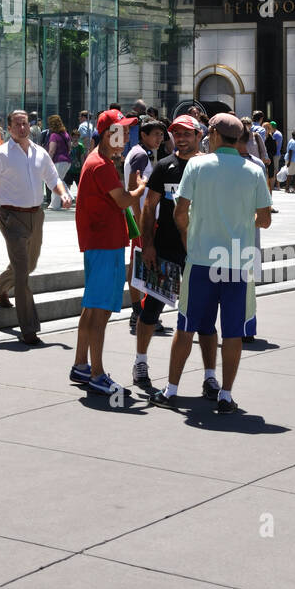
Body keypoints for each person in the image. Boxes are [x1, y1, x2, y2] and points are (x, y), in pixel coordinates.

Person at [150, 113, 273, 415]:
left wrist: (189, 233)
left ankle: (171, 390)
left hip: (202, 258)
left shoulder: (197, 165)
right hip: (237, 260)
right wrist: (243, 223)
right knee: (232, 332)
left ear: (215, 134)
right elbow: (265, 219)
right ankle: (226, 395)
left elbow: (180, 211)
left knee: (186, 326)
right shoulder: (254, 170)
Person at [132, 114, 219, 395]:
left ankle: (209, 376)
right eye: (176, 134)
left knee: (206, 316)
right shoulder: (164, 167)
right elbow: (148, 209)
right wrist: (148, 244)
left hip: (201, 252)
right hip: (166, 248)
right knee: (151, 309)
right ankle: (141, 362)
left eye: (186, 134)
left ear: (198, 135)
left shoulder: (210, 167)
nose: (180, 138)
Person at [70, 110, 148, 397]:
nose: (126, 136)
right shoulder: (101, 164)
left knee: (92, 307)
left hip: (100, 242)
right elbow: (123, 200)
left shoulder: (98, 161)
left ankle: (81, 364)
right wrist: (139, 187)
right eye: (121, 131)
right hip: (104, 243)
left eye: (127, 131)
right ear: (106, 134)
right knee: (100, 311)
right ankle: (97, 373)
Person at [0, 108, 72, 345]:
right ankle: (29, 328)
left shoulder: (40, 153)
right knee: (22, 272)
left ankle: (0, 285)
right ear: (9, 128)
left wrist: (63, 195)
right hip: (11, 217)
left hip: (36, 216)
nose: (22, 128)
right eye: (17, 124)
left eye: (25, 123)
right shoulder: (0, 155)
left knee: (29, 265)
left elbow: (53, 180)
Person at [123, 117, 166, 333]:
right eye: (155, 134)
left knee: (140, 263)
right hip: (142, 220)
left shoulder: (140, 153)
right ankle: (138, 313)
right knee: (141, 263)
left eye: (161, 134)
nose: (160, 138)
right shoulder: (140, 155)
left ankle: (139, 312)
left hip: (142, 218)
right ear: (143, 135)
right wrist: (141, 222)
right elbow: (133, 187)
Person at [46, 115, 72, 209]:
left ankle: (55, 204)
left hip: (58, 160)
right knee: (59, 180)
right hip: (67, 161)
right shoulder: (65, 134)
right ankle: (67, 197)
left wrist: (47, 161)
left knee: (55, 181)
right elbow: (70, 147)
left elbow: (52, 150)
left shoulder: (53, 135)